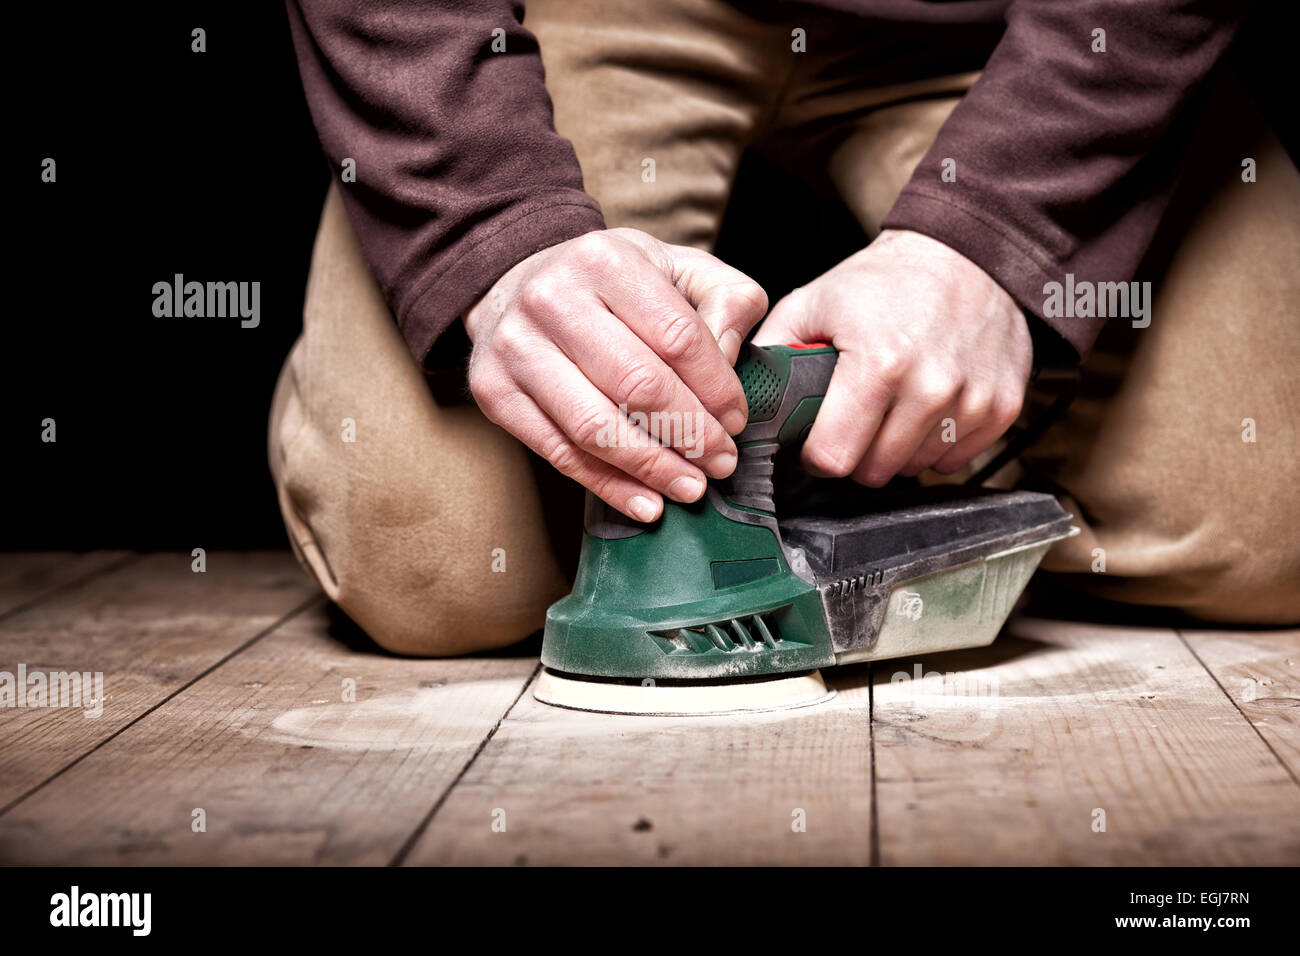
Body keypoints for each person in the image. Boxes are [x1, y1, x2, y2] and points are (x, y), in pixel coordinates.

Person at [270, 0, 1300, 654]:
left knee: (1265, 534)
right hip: (566, 14)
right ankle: (350, 367)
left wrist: (999, 235)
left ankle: (842, 475)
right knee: (436, 567)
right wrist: (491, 228)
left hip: (1024, 32)